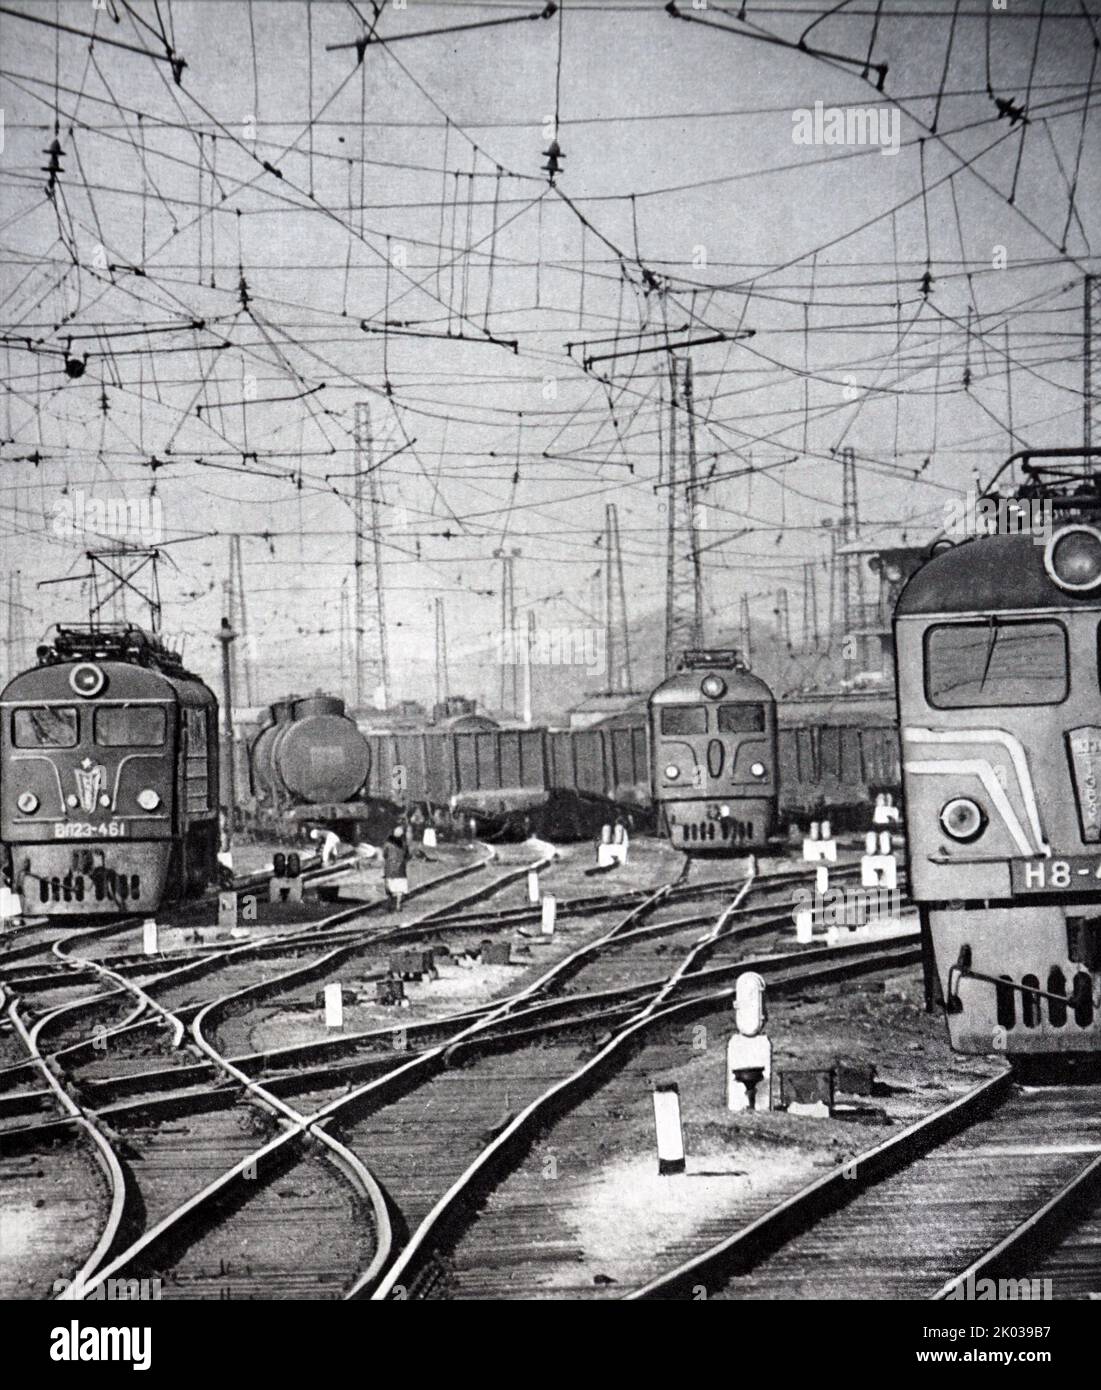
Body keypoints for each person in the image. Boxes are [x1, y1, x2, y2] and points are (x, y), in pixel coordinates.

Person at [382, 825, 410, 911]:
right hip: (401, 869)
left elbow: (384, 855)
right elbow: (407, 856)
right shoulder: (404, 845)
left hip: (389, 869)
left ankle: (390, 903)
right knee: (400, 888)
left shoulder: (387, 844)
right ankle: (398, 905)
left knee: (389, 887)